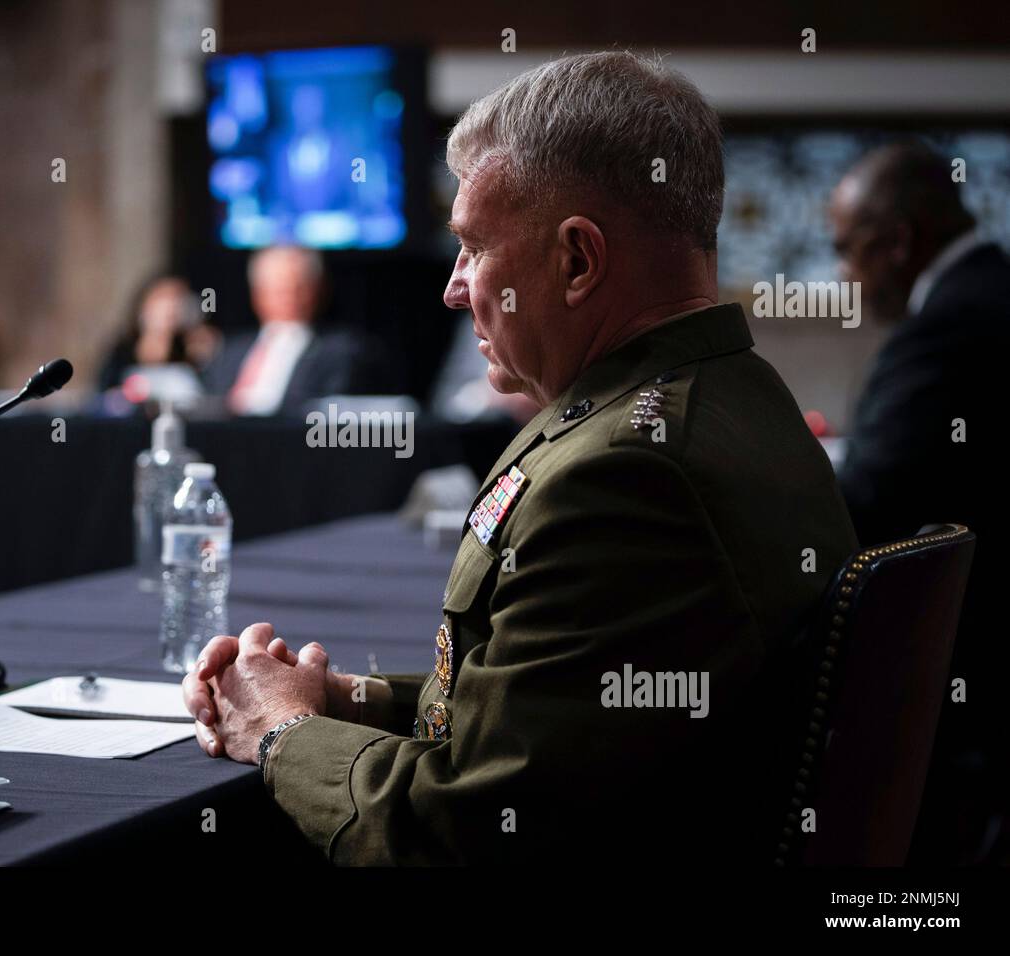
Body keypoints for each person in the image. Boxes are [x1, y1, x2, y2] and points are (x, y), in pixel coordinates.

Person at [182, 52, 859, 864]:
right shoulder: (734, 396)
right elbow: (548, 716)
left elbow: (461, 833)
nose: (455, 286)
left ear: (577, 260)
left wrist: (281, 731)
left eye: (472, 246)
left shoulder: (625, 478)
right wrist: (337, 697)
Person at [829, 143, 1010, 864]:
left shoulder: (946, 330)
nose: (845, 275)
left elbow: (868, 503)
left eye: (849, 250)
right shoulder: (992, 291)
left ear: (899, 241)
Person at [202, 245, 375, 415]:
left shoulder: (343, 350)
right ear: (257, 293)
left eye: (299, 288)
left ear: (319, 290)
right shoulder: (230, 351)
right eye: (279, 290)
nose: (289, 298)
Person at [96, 273, 217, 393]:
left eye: (176, 300)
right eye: (162, 299)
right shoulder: (122, 350)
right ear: (144, 305)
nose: (170, 307)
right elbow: (104, 393)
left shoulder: (190, 349)